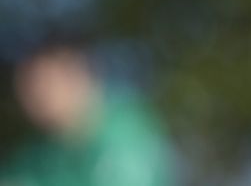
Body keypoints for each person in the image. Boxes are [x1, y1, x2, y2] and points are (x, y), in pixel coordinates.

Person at [1, 40, 175, 186]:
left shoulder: (126, 131)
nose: (31, 101)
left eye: (40, 86)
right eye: (26, 91)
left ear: (76, 76)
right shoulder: (37, 153)